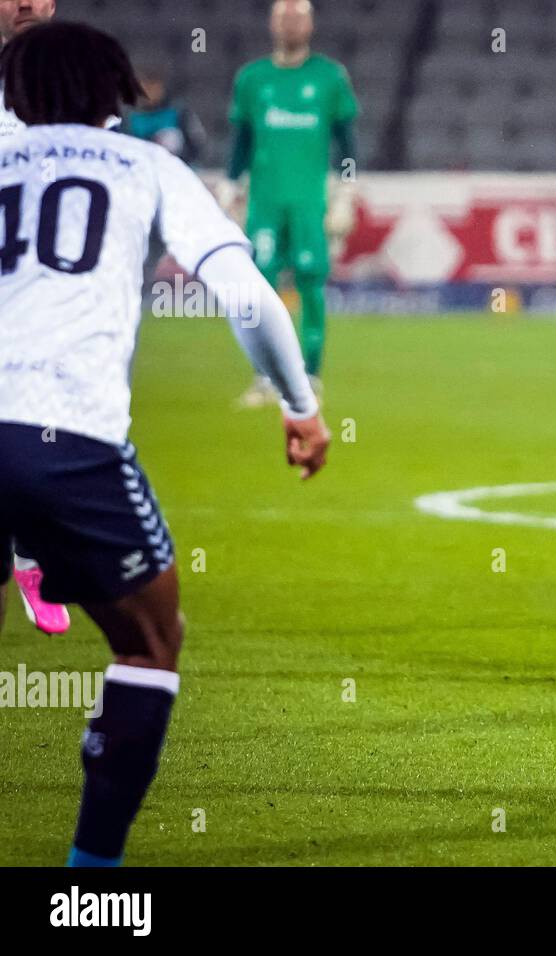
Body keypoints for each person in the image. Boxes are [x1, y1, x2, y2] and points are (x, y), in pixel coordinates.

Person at [0, 21, 331, 865]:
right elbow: (250, 300)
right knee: (150, 642)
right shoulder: (148, 168)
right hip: (69, 441)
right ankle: (90, 873)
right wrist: (300, 405)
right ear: (115, 92)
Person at [220, 0, 359, 407]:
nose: (291, 22)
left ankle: (310, 375)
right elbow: (241, 142)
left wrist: (345, 196)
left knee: (311, 284)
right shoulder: (252, 79)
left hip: (309, 204)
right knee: (258, 287)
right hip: (264, 204)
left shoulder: (330, 78)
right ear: (272, 22)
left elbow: (347, 144)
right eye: (284, 15)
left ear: (311, 24)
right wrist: (230, 189)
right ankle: (264, 376)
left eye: (299, 15)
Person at [0, 0, 68, 635]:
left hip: (39, 301)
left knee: (35, 440)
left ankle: (33, 556)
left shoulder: (79, 85)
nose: (25, 3)